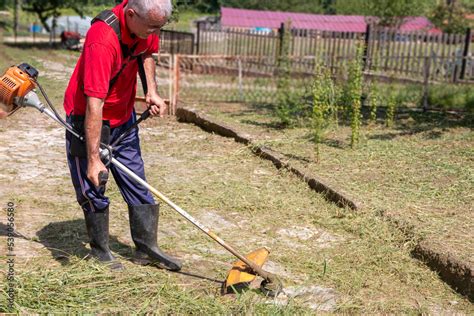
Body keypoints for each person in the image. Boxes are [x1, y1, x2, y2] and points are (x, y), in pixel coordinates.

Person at [63, 0, 181, 271]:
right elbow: (94, 102)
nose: (155, 33)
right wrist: (93, 158)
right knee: (94, 184)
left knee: (136, 180)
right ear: (130, 15)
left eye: (159, 27)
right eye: (151, 27)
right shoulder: (102, 39)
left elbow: (146, 53)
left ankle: (146, 248)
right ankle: (100, 251)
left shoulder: (147, 24)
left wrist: (151, 90)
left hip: (123, 116)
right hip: (89, 117)